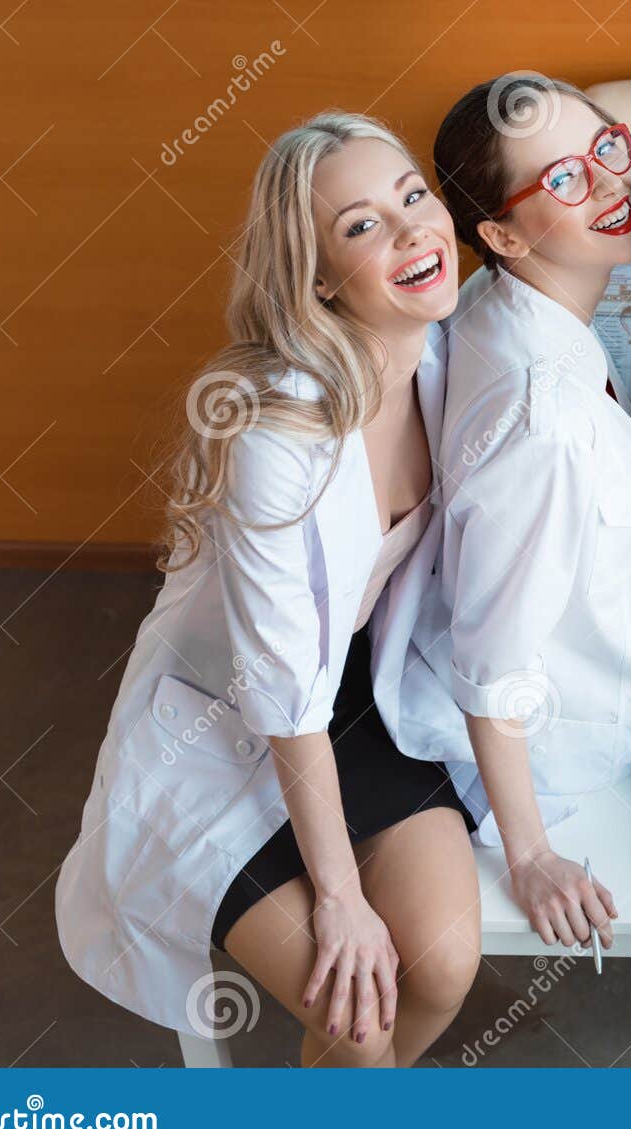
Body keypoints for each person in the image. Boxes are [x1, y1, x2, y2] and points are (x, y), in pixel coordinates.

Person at [55, 112, 480, 1067]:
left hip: (353, 695)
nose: (412, 230)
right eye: (362, 225)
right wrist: (341, 897)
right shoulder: (274, 433)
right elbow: (282, 688)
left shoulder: (451, 360)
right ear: (318, 276)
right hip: (221, 724)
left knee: (445, 965)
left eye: (413, 196)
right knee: (360, 1023)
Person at [425, 74, 631, 951]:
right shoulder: (546, 430)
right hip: (593, 714)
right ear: (502, 235)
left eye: (605, 147)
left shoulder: (499, 300)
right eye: (566, 178)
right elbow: (492, 659)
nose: (612, 183)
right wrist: (532, 853)